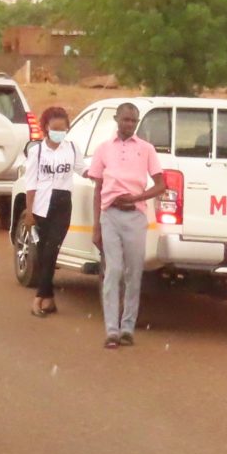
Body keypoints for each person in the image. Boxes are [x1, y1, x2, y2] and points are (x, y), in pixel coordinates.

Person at [83, 102, 167, 349]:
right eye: (125, 120)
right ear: (117, 119)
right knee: (113, 271)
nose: (129, 124)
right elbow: (97, 189)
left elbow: (161, 184)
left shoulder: (146, 149)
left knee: (133, 273)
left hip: (136, 215)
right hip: (110, 214)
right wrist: (96, 225)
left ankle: (127, 327)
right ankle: (111, 330)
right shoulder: (104, 149)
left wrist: (137, 198)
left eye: (133, 121)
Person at [22, 106, 76, 317]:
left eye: (62, 129)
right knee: (44, 254)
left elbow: (84, 169)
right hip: (41, 206)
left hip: (63, 204)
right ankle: (49, 298)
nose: (58, 133)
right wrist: (29, 212)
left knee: (52, 249)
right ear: (46, 128)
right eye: (54, 129)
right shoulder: (37, 152)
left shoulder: (72, 149)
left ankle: (38, 298)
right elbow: (30, 183)